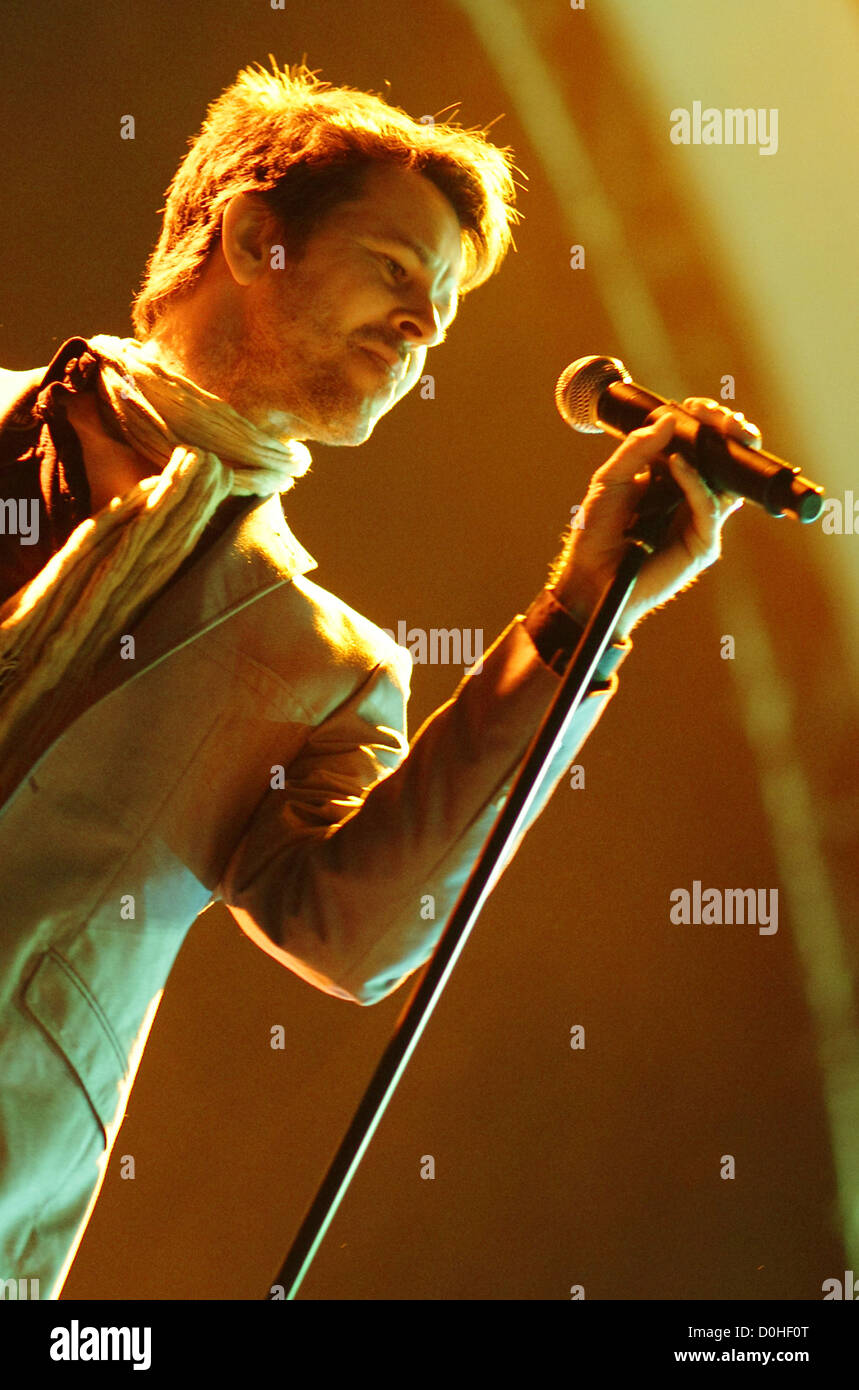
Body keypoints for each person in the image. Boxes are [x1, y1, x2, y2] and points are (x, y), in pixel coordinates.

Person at [0, 61, 758, 1301]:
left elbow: (354, 934)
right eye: (397, 272)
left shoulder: (317, 661)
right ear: (254, 236)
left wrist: (580, 612)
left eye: (441, 314)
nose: (422, 329)